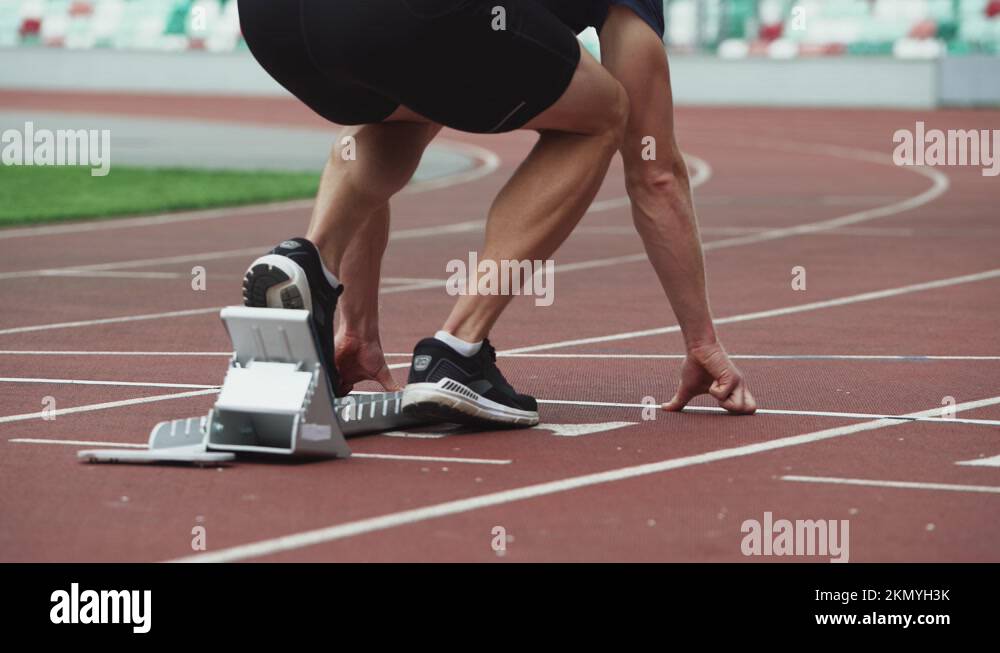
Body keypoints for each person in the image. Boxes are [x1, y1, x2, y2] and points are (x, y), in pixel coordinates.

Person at [237, 0, 756, 430]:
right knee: (604, 113)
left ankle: (312, 262)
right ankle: (457, 350)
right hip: (398, 20)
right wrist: (701, 340)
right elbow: (655, 171)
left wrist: (358, 333)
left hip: (275, 26)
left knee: (405, 104)